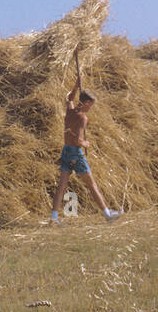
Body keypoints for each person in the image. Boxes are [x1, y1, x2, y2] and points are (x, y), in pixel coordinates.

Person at [51, 50, 121, 224]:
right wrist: (86, 143)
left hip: (65, 151)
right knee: (91, 184)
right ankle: (107, 214)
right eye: (91, 104)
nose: (91, 108)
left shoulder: (70, 112)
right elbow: (77, 140)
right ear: (87, 103)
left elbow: (69, 98)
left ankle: (54, 217)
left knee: (62, 185)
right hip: (75, 152)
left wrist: (76, 85)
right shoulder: (82, 118)